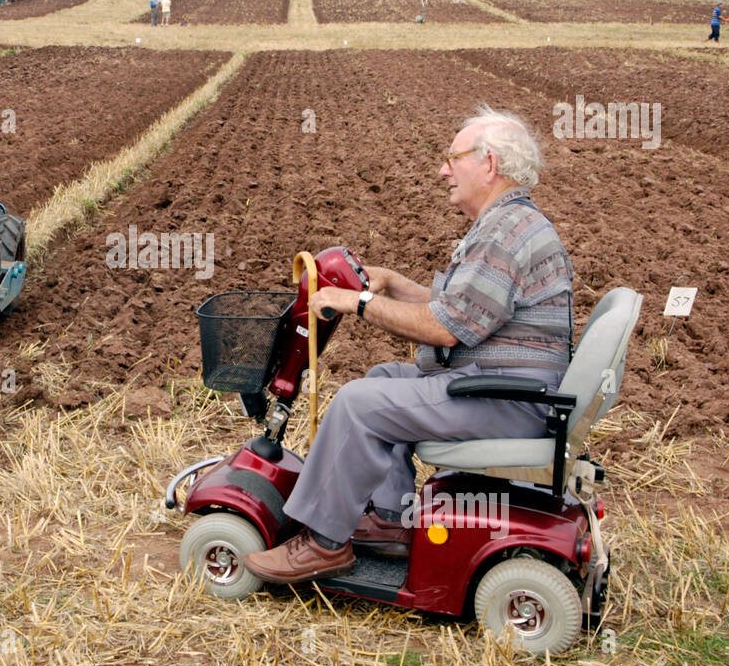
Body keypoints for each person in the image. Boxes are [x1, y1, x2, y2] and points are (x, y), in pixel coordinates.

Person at [244, 106, 574, 583]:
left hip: (509, 398)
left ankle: (322, 542)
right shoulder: (510, 223)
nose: (443, 169)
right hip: (509, 387)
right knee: (384, 378)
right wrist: (394, 284)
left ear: (490, 163)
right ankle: (388, 519)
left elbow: (445, 329)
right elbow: (464, 309)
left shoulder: (504, 234)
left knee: (360, 403)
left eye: (452, 157)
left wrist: (356, 301)